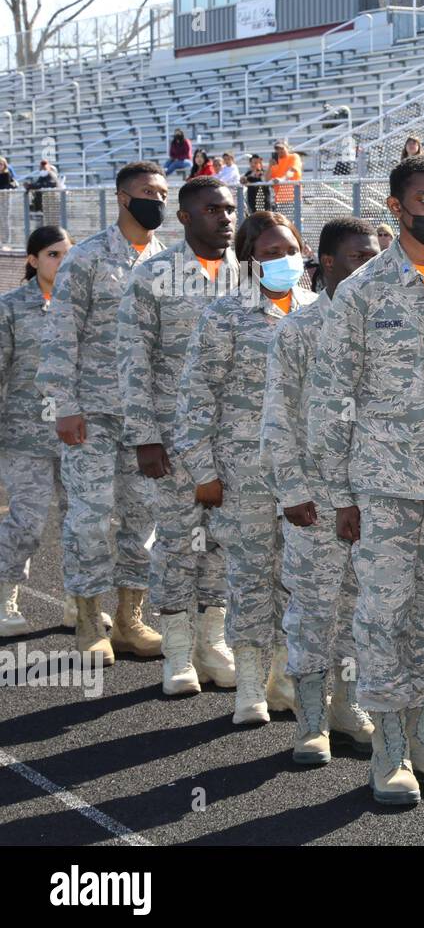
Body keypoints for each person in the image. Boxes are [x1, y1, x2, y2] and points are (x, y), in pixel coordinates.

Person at [308, 155, 424, 805]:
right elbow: (330, 400)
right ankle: (387, 752)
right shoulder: (362, 293)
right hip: (383, 491)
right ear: (396, 207)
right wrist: (338, 495)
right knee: (383, 619)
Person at [175, 210, 314, 725]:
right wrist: (202, 471)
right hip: (244, 473)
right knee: (251, 577)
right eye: (271, 252)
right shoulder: (226, 315)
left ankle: (284, 681)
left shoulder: (316, 310)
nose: (283, 260)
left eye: (290, 249)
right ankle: (250, 687)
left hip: (302, 474)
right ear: (250, 261)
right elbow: (195, 397)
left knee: (297, 580)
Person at [36, 162, 169, 665]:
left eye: (162, 191)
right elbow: (60, 334)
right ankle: (90, 620)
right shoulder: (87, 258)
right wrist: (63, 406)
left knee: (142, 518)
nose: (155, 199)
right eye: (146, 192)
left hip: (146, 419)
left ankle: (131, 620)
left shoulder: (166, 261)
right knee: (90, 519)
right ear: (121, 198)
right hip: (91, 412)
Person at [263, 216, 379, 760]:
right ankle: (309, 718)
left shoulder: (385, 327)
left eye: (377, 256)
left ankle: (347, 707)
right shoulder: (300, 332)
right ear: (327, 263)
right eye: (360, 257)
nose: (371, 266)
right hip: (315, 498)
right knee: (312, 608)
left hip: (376, 496)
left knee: (363, 608)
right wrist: (290, 491)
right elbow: (278, 419)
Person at [120, 176, 240, 695]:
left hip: (233, 439)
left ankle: (211, 641)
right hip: (172, 441)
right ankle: (176, 651)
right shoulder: (154, 276)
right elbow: (132, 360)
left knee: (221, 543)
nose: (227, 217)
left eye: (232, 209)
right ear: (186, 218)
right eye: (214, 210)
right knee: (175, 542)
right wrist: (144, 435)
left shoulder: (250, 274)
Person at [0, 226, 72, 637]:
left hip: (77, 436)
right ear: (32, 260)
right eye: (52, 254)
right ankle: (5, 595)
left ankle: (79, 601)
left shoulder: (82, 306)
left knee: (80, 522)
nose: (61, 263)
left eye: (67, 255)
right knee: (25, 522)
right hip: (24, 436)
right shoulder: (10, 307)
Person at [268, 140, 303, 208]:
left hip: (293, 199)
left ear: (287, 148)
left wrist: (282, 179)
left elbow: (293, 170)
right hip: (279, 200)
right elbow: (267, 180)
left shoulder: (294, 157)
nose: (279, 151)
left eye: (282, 148)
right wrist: (269, 166)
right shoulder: (275, 162)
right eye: (277, 149)